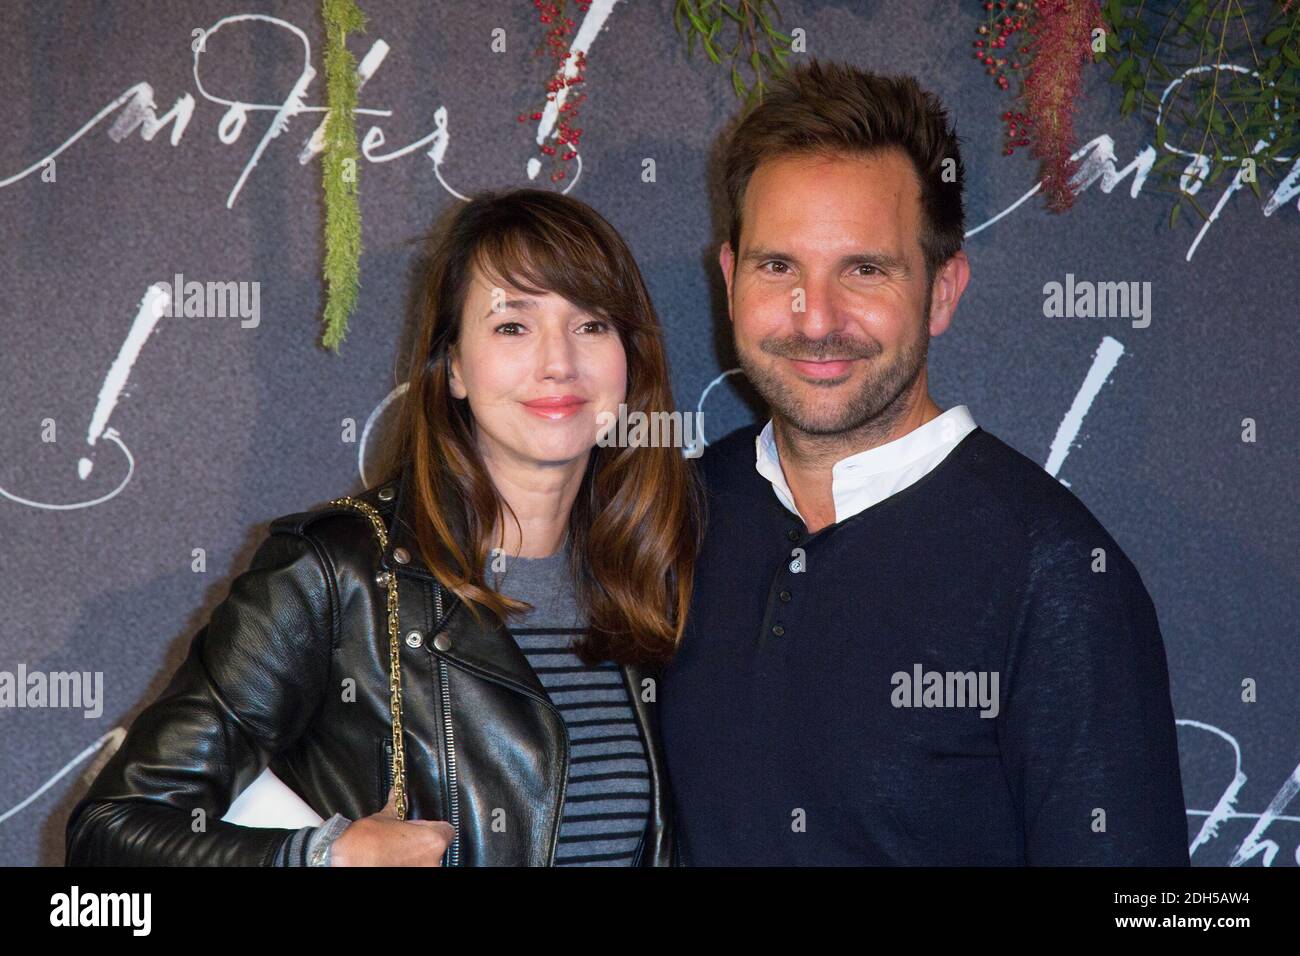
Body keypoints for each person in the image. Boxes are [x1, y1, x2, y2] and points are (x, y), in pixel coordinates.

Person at [65, 188, 702, 866]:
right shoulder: (332, 572)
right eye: (512, 326)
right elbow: (110, 835)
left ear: (631, 359)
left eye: (593, 325)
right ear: (453, 366)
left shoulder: (663, 568)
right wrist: (323, 857)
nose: (559, 362)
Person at [659, 59, 1190, 865]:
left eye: (864, 270)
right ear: (730, 280)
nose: (816, 318)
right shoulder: (672, 515)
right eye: (779, 268)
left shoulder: (1055, 574)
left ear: (943, 291)